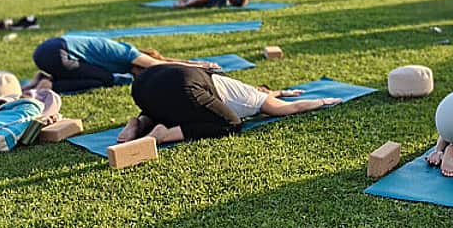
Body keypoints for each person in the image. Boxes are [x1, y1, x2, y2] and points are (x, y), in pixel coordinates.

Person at [117, 64, 341, 144]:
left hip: (144, 85)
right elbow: (290, 108)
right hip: (185, 86)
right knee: (230, 124)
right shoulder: (255, 98)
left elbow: (270, 93)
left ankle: (139, 122)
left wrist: (282, 91)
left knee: (170, 107)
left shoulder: (240, 88)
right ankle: (164, 134)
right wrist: (322, 101)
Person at [30, 34, 219, 94]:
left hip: (47, 51)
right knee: (105, 78)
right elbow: (157, 64)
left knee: (98, 75)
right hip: (57, 53)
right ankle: (51, 84)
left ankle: (46, 76)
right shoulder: (129, 53)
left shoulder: (124, 57)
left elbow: (161, 61)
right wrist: (196, 66)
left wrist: (190, 62)